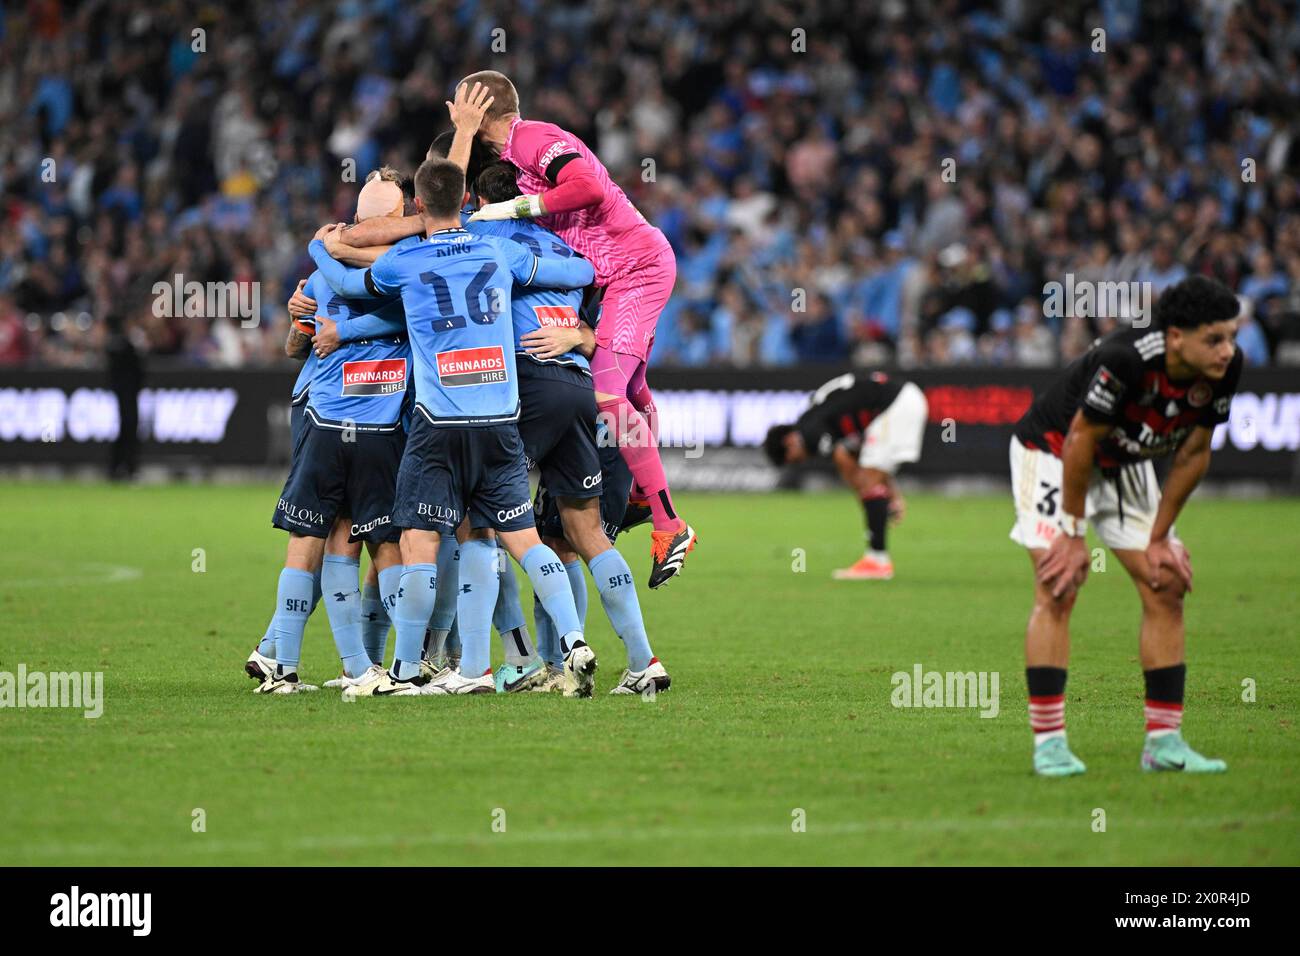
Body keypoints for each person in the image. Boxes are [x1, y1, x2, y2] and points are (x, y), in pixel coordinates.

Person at [333, 73, 698, 589]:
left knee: (606, 395)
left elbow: (588, 186)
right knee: (629, 393)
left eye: (462, 108)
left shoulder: (529, 143)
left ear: (479, 112)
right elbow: (438, 222)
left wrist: (510, 204)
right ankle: (644, 499)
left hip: (629, 273)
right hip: (607, 282)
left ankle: (669, 522)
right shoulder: (515, 196)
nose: (454, 114)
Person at [308, 157, 599, 698]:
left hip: (439, 423)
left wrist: (319, 248)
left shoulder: (407, 261)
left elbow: (350, 280)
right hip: (502, 422)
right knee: (525, 540)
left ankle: (404, 672)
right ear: (466, 200)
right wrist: (583, 331)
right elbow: (576, 272)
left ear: (418, 207)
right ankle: (574, 640)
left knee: (419, 542)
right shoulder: (499, 249)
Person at [1009, 275, 1242, 777]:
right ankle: (1049, 745)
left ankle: (1164, 745)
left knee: (1167, 583)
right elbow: (1078, 440)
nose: (1228, 350)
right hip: (1053, 450)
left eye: (1232, 336)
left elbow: (1194, 453)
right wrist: (1072, 534)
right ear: (1176, 336)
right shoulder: (1126, 359)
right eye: (1215, 338)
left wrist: (1160, 538)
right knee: (1060, 583)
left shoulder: (1224, 370)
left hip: (1124, 459)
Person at [466, 160, 669, 696]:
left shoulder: (481, 234)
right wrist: (581, 334)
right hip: (586, 392)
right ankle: (642, 661)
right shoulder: (576, 247)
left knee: (480, 520)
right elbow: (618, 326)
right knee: (579, 534)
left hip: (527, 383)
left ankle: (517, 660)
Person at [256, 172, 412, 694]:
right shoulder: (406, 272)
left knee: (329, 538)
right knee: (363, 540)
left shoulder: (329, 269)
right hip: (367, 423)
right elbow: (295, 346)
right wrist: (300, 314)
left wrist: (319, 259)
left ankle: (306, 663)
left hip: (329, 419)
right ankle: (383, 666)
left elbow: (298, 347)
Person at [762, 372, 928, 580]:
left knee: (867, 481)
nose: (802, 461)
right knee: (870, 476)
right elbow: (864, 462)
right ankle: (876, 559)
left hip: (896, 405)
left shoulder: (809, 430)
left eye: (795, 459)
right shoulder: (820, 417)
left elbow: (843, 460)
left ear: (789, 442)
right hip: (903, 401)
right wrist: (890, 495)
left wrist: (864, 492)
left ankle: (877, 560)